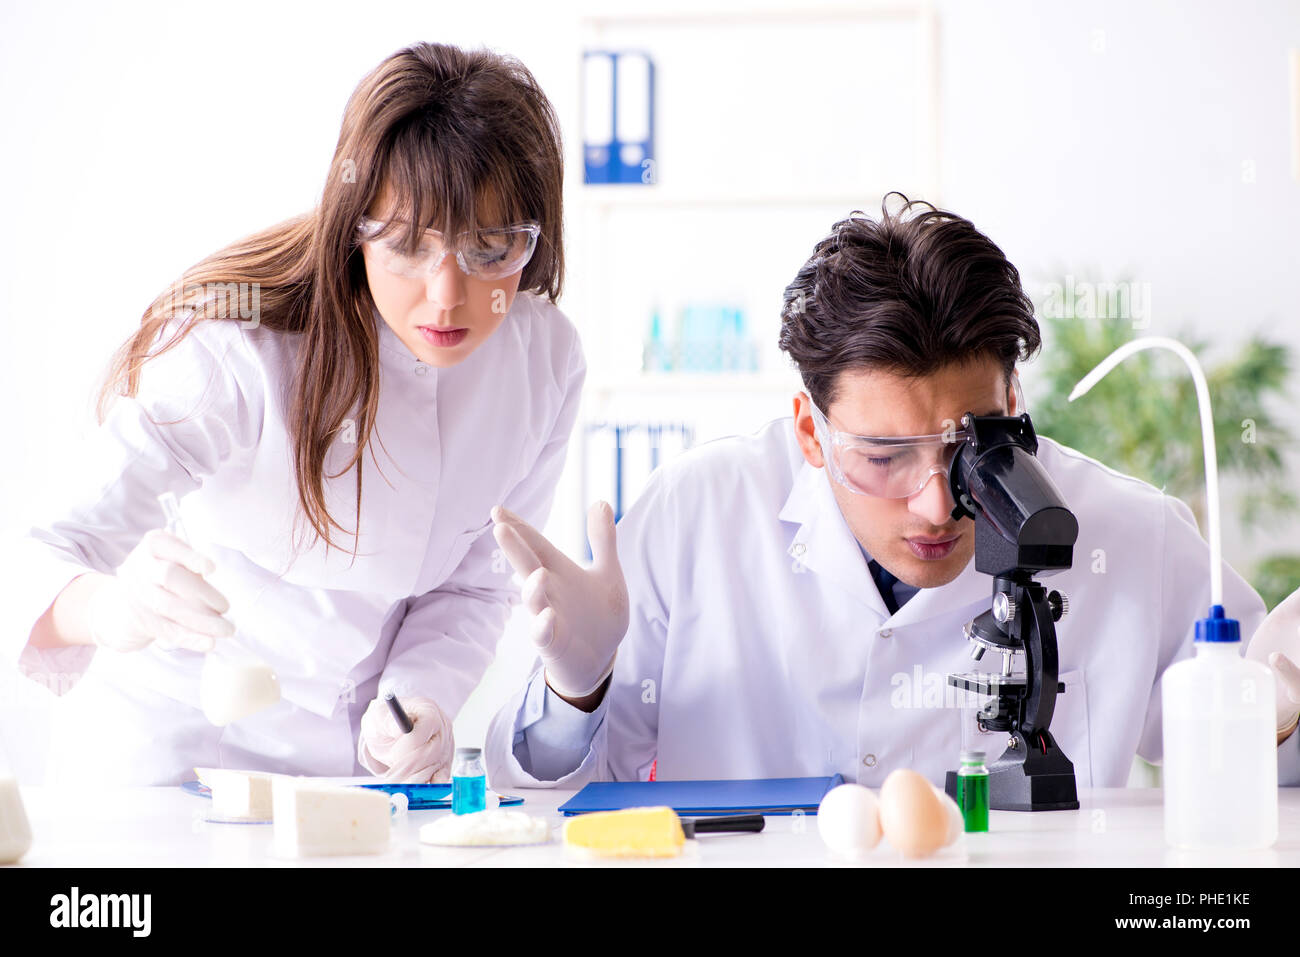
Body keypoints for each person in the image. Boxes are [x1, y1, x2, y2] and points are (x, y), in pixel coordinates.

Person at [483, 195, 1300, 789]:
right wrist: (575, 689)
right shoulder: (698, 515)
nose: (936, 506)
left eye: (970, 448)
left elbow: (1268, 775)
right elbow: (546, 800)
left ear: (1013, 403)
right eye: (883, 456)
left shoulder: (1133, 536)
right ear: (810, 429)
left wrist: (1285, 713)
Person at [7, 42, 584, 786]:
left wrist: (421, 701)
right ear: (356, 226)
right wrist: (110, 606)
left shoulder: (544, 366)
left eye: (491, 247)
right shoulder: (241, 351)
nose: (447, 294)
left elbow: (470, 586)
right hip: (171, 758)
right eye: (408, 245)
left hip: (348, 772)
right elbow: (39, 554)